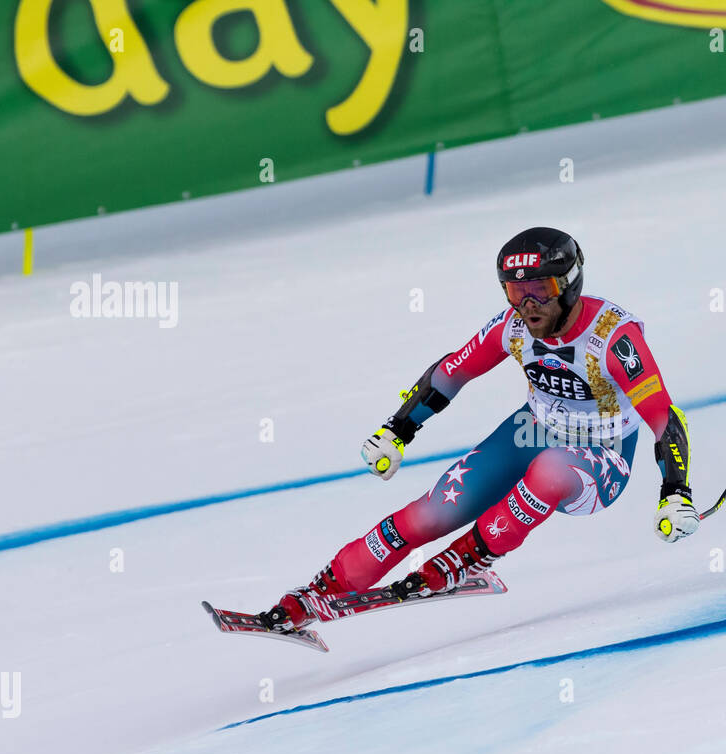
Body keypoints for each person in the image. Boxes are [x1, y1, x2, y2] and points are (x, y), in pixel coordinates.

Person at [260, 226, 700, 633]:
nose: (528, 305)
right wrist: (398, 430)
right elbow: (453, 371)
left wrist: (675, 491)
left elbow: (664, 417)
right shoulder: (512, 326)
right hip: (531, 432)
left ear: (568, 284)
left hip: (601, 453)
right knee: (430, 513)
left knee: (549, 471)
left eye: (540, 290)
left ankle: (467, 558)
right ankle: (321, 590)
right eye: (515, 291)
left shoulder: (613, 338)